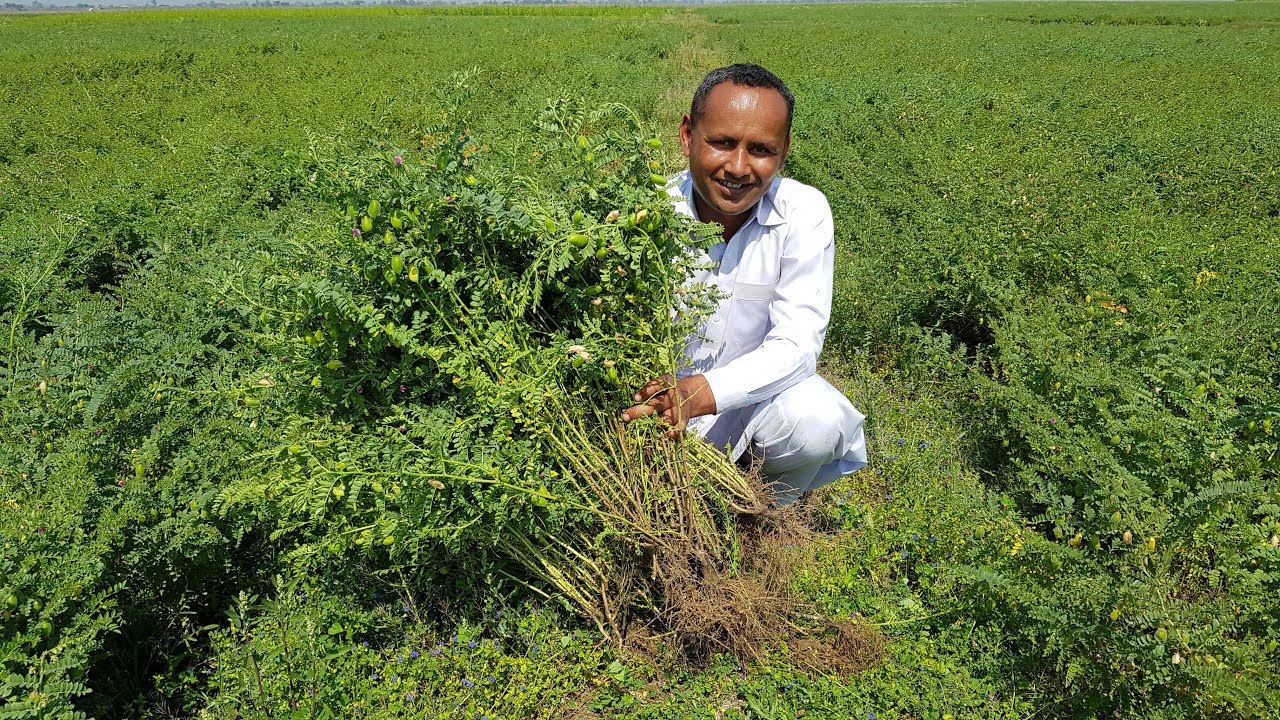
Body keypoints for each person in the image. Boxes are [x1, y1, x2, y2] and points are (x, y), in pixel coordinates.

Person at [620, 64, 868, 506]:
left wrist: (702, 394)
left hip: (750, 409)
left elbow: (798, 345)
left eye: (760, 149)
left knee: (819, 421)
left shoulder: (803, 213)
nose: (738, 167)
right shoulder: (646, 214)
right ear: (687, 135)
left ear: (784, 151)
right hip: (653, 412)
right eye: (722, 142)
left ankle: (761, 516)